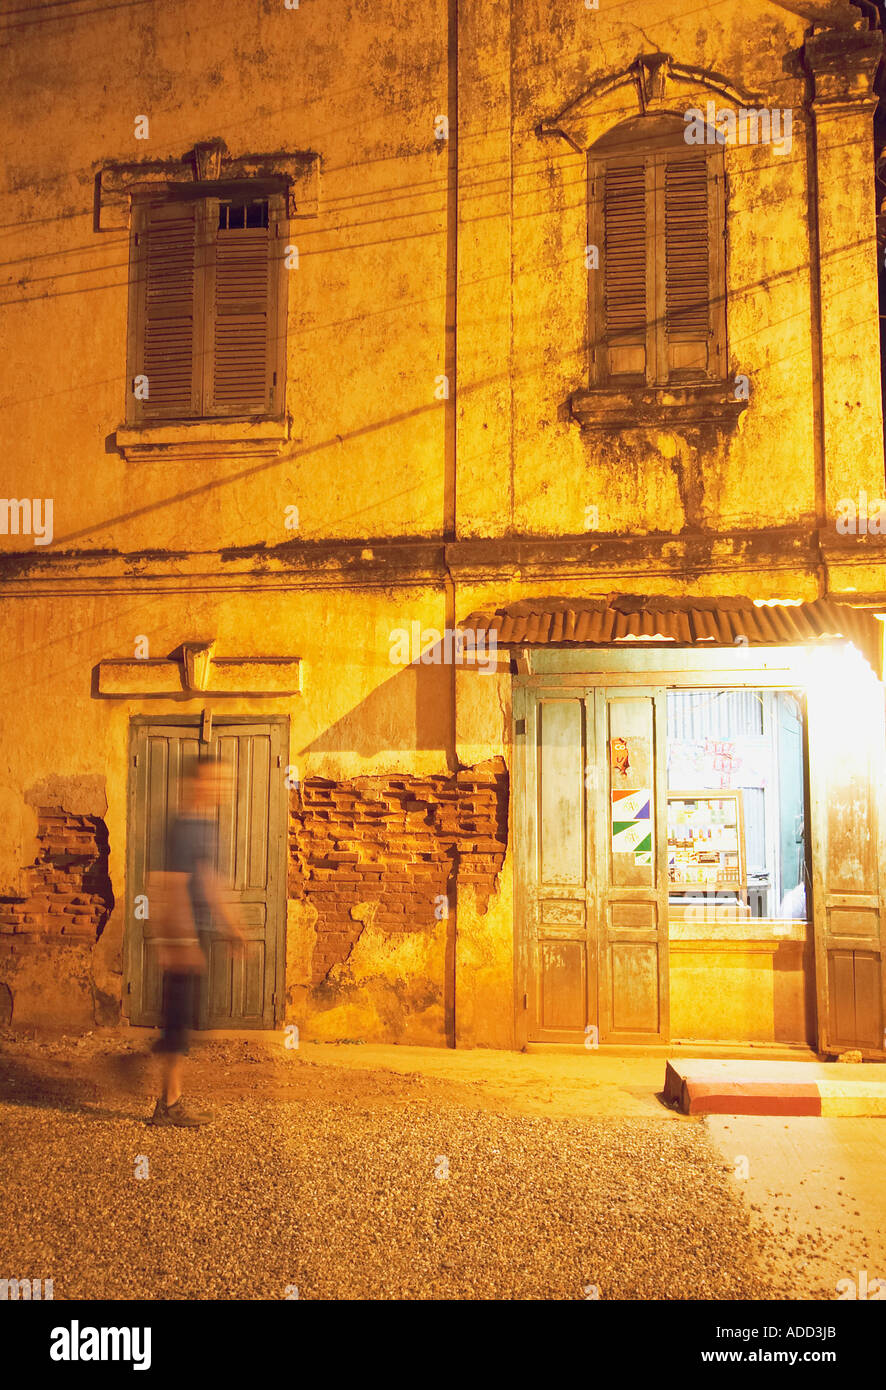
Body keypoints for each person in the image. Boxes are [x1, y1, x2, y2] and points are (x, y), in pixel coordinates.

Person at [147, 755, 246, 1127]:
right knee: (178, 1021)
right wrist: (181, 940)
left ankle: (164, 1093)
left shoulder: (206, 825)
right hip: (184, 935)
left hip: (195, 933)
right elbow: (169, 884)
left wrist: (232, 927)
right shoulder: (184, 827)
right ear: (196, 783)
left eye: (225, 780)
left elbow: (208, 880)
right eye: (214, 780)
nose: (222, 786)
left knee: (184, 1020)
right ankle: (168, 1104)